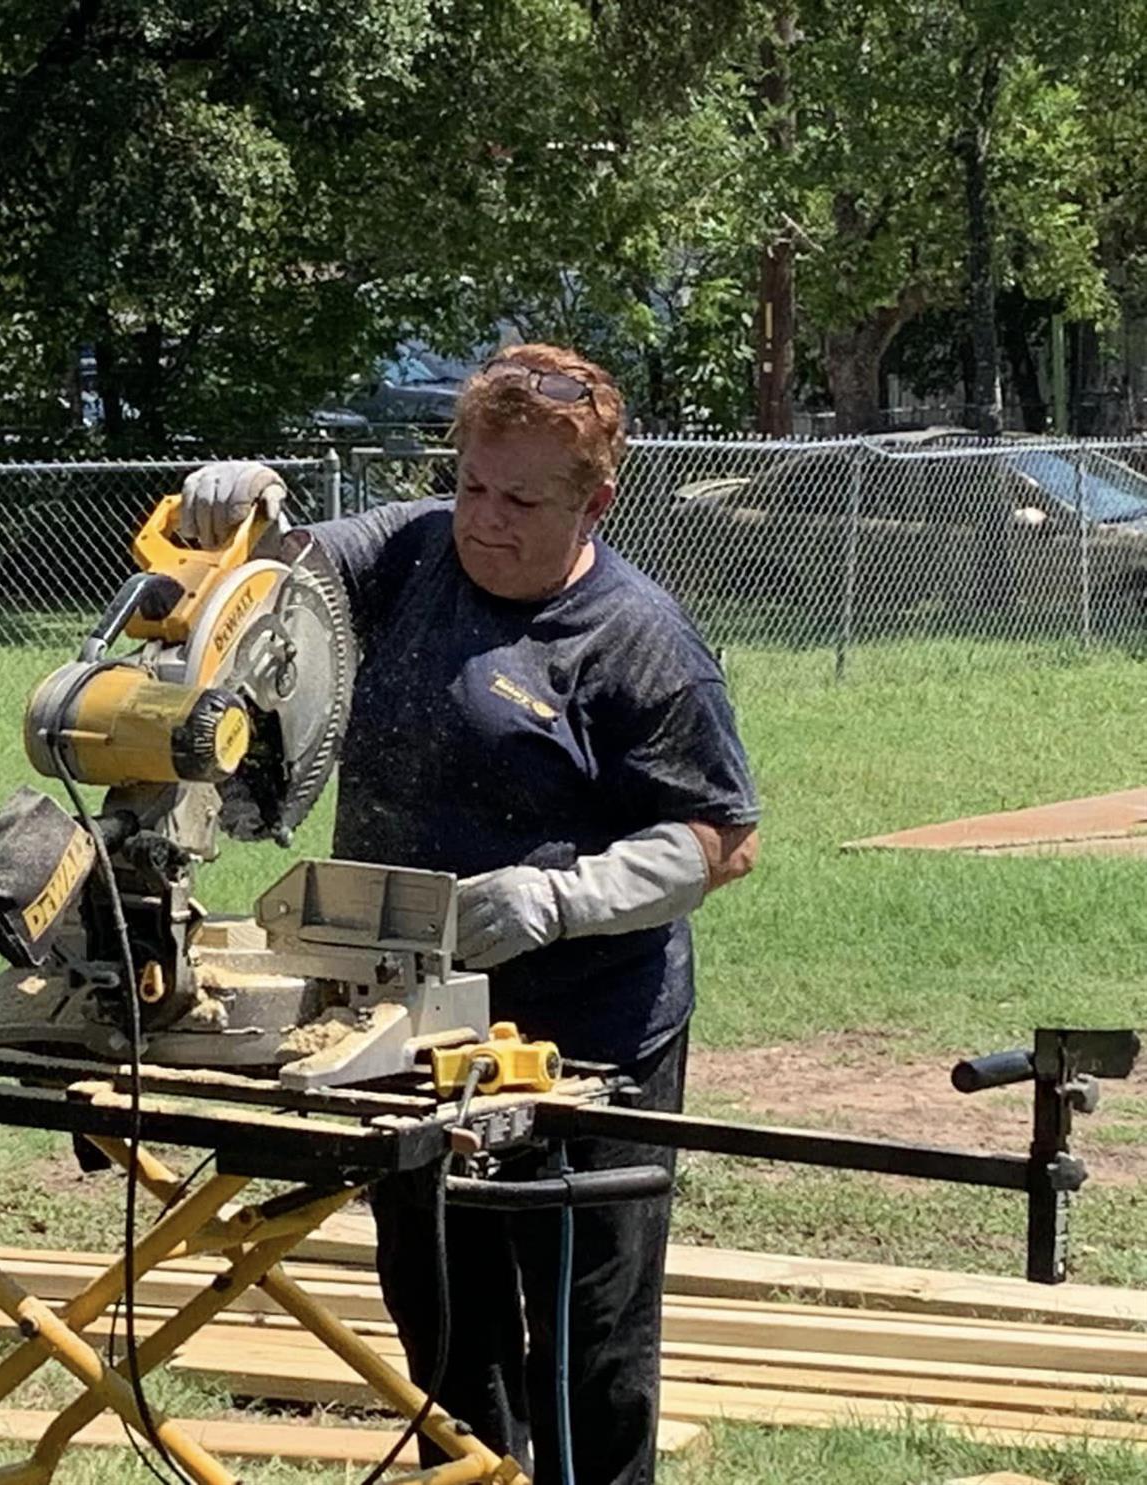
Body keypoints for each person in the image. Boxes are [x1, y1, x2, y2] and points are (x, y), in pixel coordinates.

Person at [177, 344, 760, 1485]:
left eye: (522, 501)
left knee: (588, 1347)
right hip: (403, 1022)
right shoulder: (412, 551)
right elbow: (284, 572)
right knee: (445, 1325)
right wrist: (239, 515)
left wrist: (560, 896)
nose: (484, 520)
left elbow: (722, 841)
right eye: (471, 486)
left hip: (584, 1040)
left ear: (598, 498)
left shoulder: (638, 641)